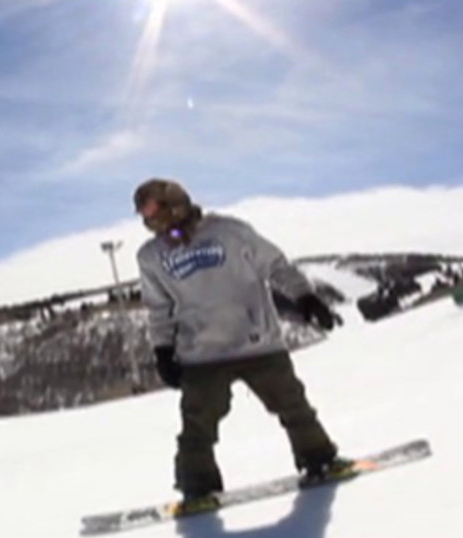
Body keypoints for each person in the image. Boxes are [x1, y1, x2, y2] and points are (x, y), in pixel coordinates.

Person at [132, 178, 354, 504]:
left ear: (174, 203)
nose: (150, 220)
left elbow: (275, 266)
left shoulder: (229, 232)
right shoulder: (151, 256)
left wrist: (305, 297)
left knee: (294, 406)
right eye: (144, 215)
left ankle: (318, 458)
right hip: (201, 354)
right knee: (197, 426)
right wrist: (163, 350)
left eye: (153, 210)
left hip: (257, 342)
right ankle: (197, 486)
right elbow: (159, 307)